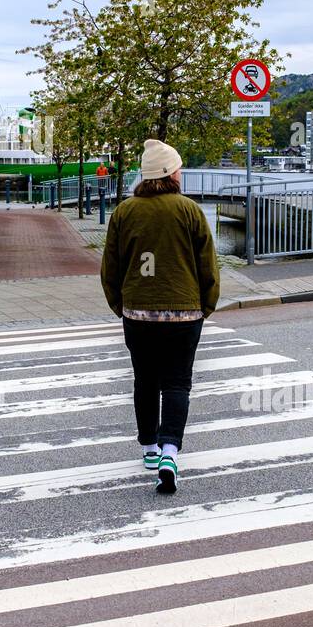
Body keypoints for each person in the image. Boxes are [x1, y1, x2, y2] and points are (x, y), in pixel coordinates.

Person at [100, 138, 219, 494]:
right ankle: (170, 451)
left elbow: (111, 266)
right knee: (178, 382)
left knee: (145, 380)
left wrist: (119, 304)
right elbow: (207, 266)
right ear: (170, 172)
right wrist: (206, 305)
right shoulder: (189, 210)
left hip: (138, 314)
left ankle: (150, 448)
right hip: (185, 313)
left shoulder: (124, 211)